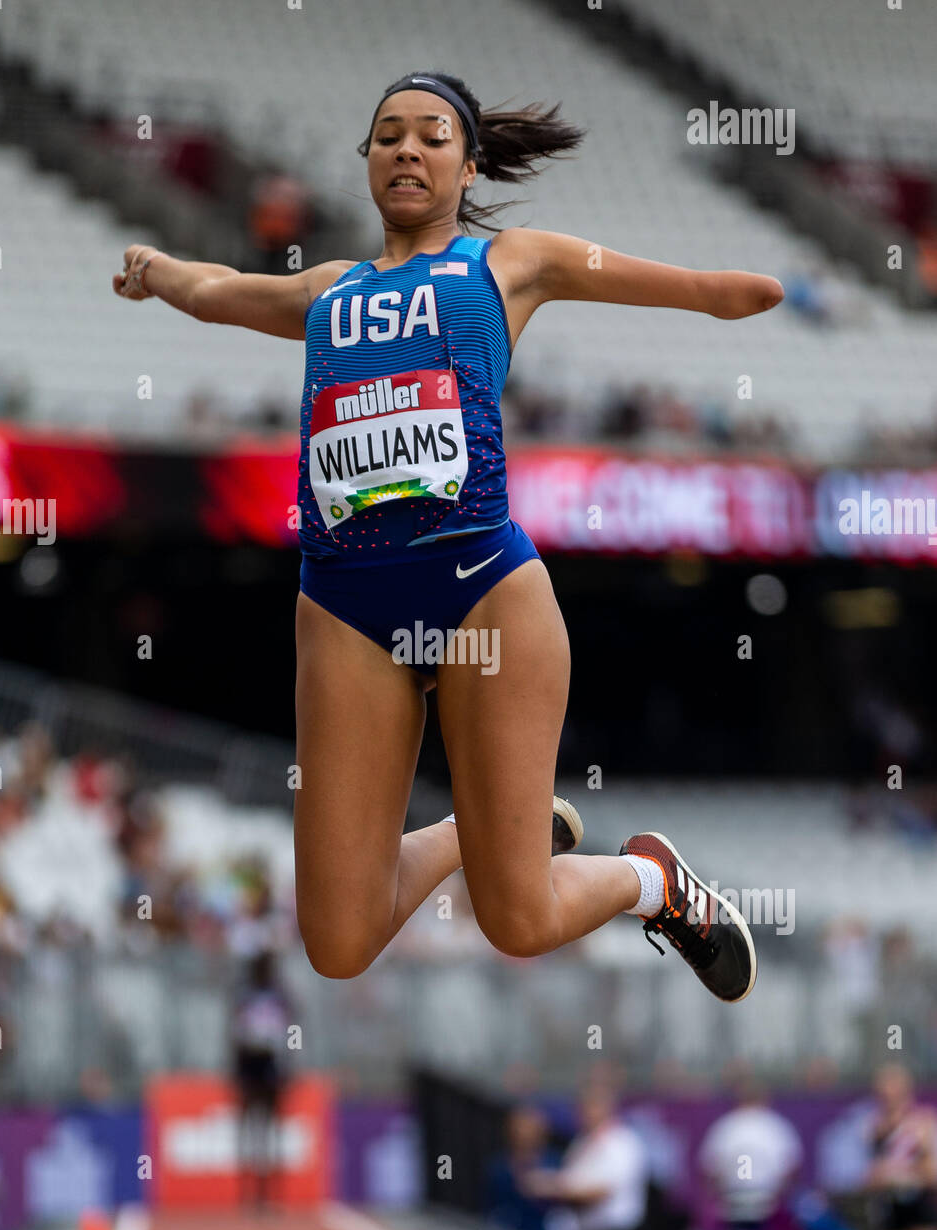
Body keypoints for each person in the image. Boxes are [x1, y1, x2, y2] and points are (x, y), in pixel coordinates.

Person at [113, 70, 781, 999]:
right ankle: (485, 828)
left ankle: (654, 883)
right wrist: (156, 273)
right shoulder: (327, 288)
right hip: (345, 604)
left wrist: (726, 294)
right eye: (388, 135)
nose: (407, 149)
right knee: (338, 945)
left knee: (520, 921)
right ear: (368, 162)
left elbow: (677, 284)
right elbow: (218, 288)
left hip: (482, 589)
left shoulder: (507, 261)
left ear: (469, 167)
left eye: (432, 135)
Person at [522, 1084, 649, 1230]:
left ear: (608, 1107)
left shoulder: (621, 1143)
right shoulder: (581, 1142)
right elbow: (571, 1181)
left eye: (593, 1105)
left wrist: (549, 1187)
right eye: (583, 1106)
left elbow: (600, 1193)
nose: (586, 1112)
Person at [857, 1064, 937, 1230]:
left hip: (917, 1218)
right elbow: (868, 1177)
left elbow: (932, 1176)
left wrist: (902, 1172)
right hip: (887, 1219)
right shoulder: (874, 1128)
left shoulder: (922, 1125)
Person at [698, 1077, 803, 1230]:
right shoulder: (777, 1125)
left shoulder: (725, 1126)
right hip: (766, 1200)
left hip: (733, 1199)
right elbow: (792, 1169)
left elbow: (709, 1171)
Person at [231, 951, 291, 1209]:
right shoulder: (243, 995)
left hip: (270, 1061)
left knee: (270, 1126)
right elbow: (235, 1031)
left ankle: (269, 1192)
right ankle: (247, 1189)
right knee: (248, 1126)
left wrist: (288, 1062)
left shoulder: (280, 997)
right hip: (249, 1061)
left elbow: (290, 1029)